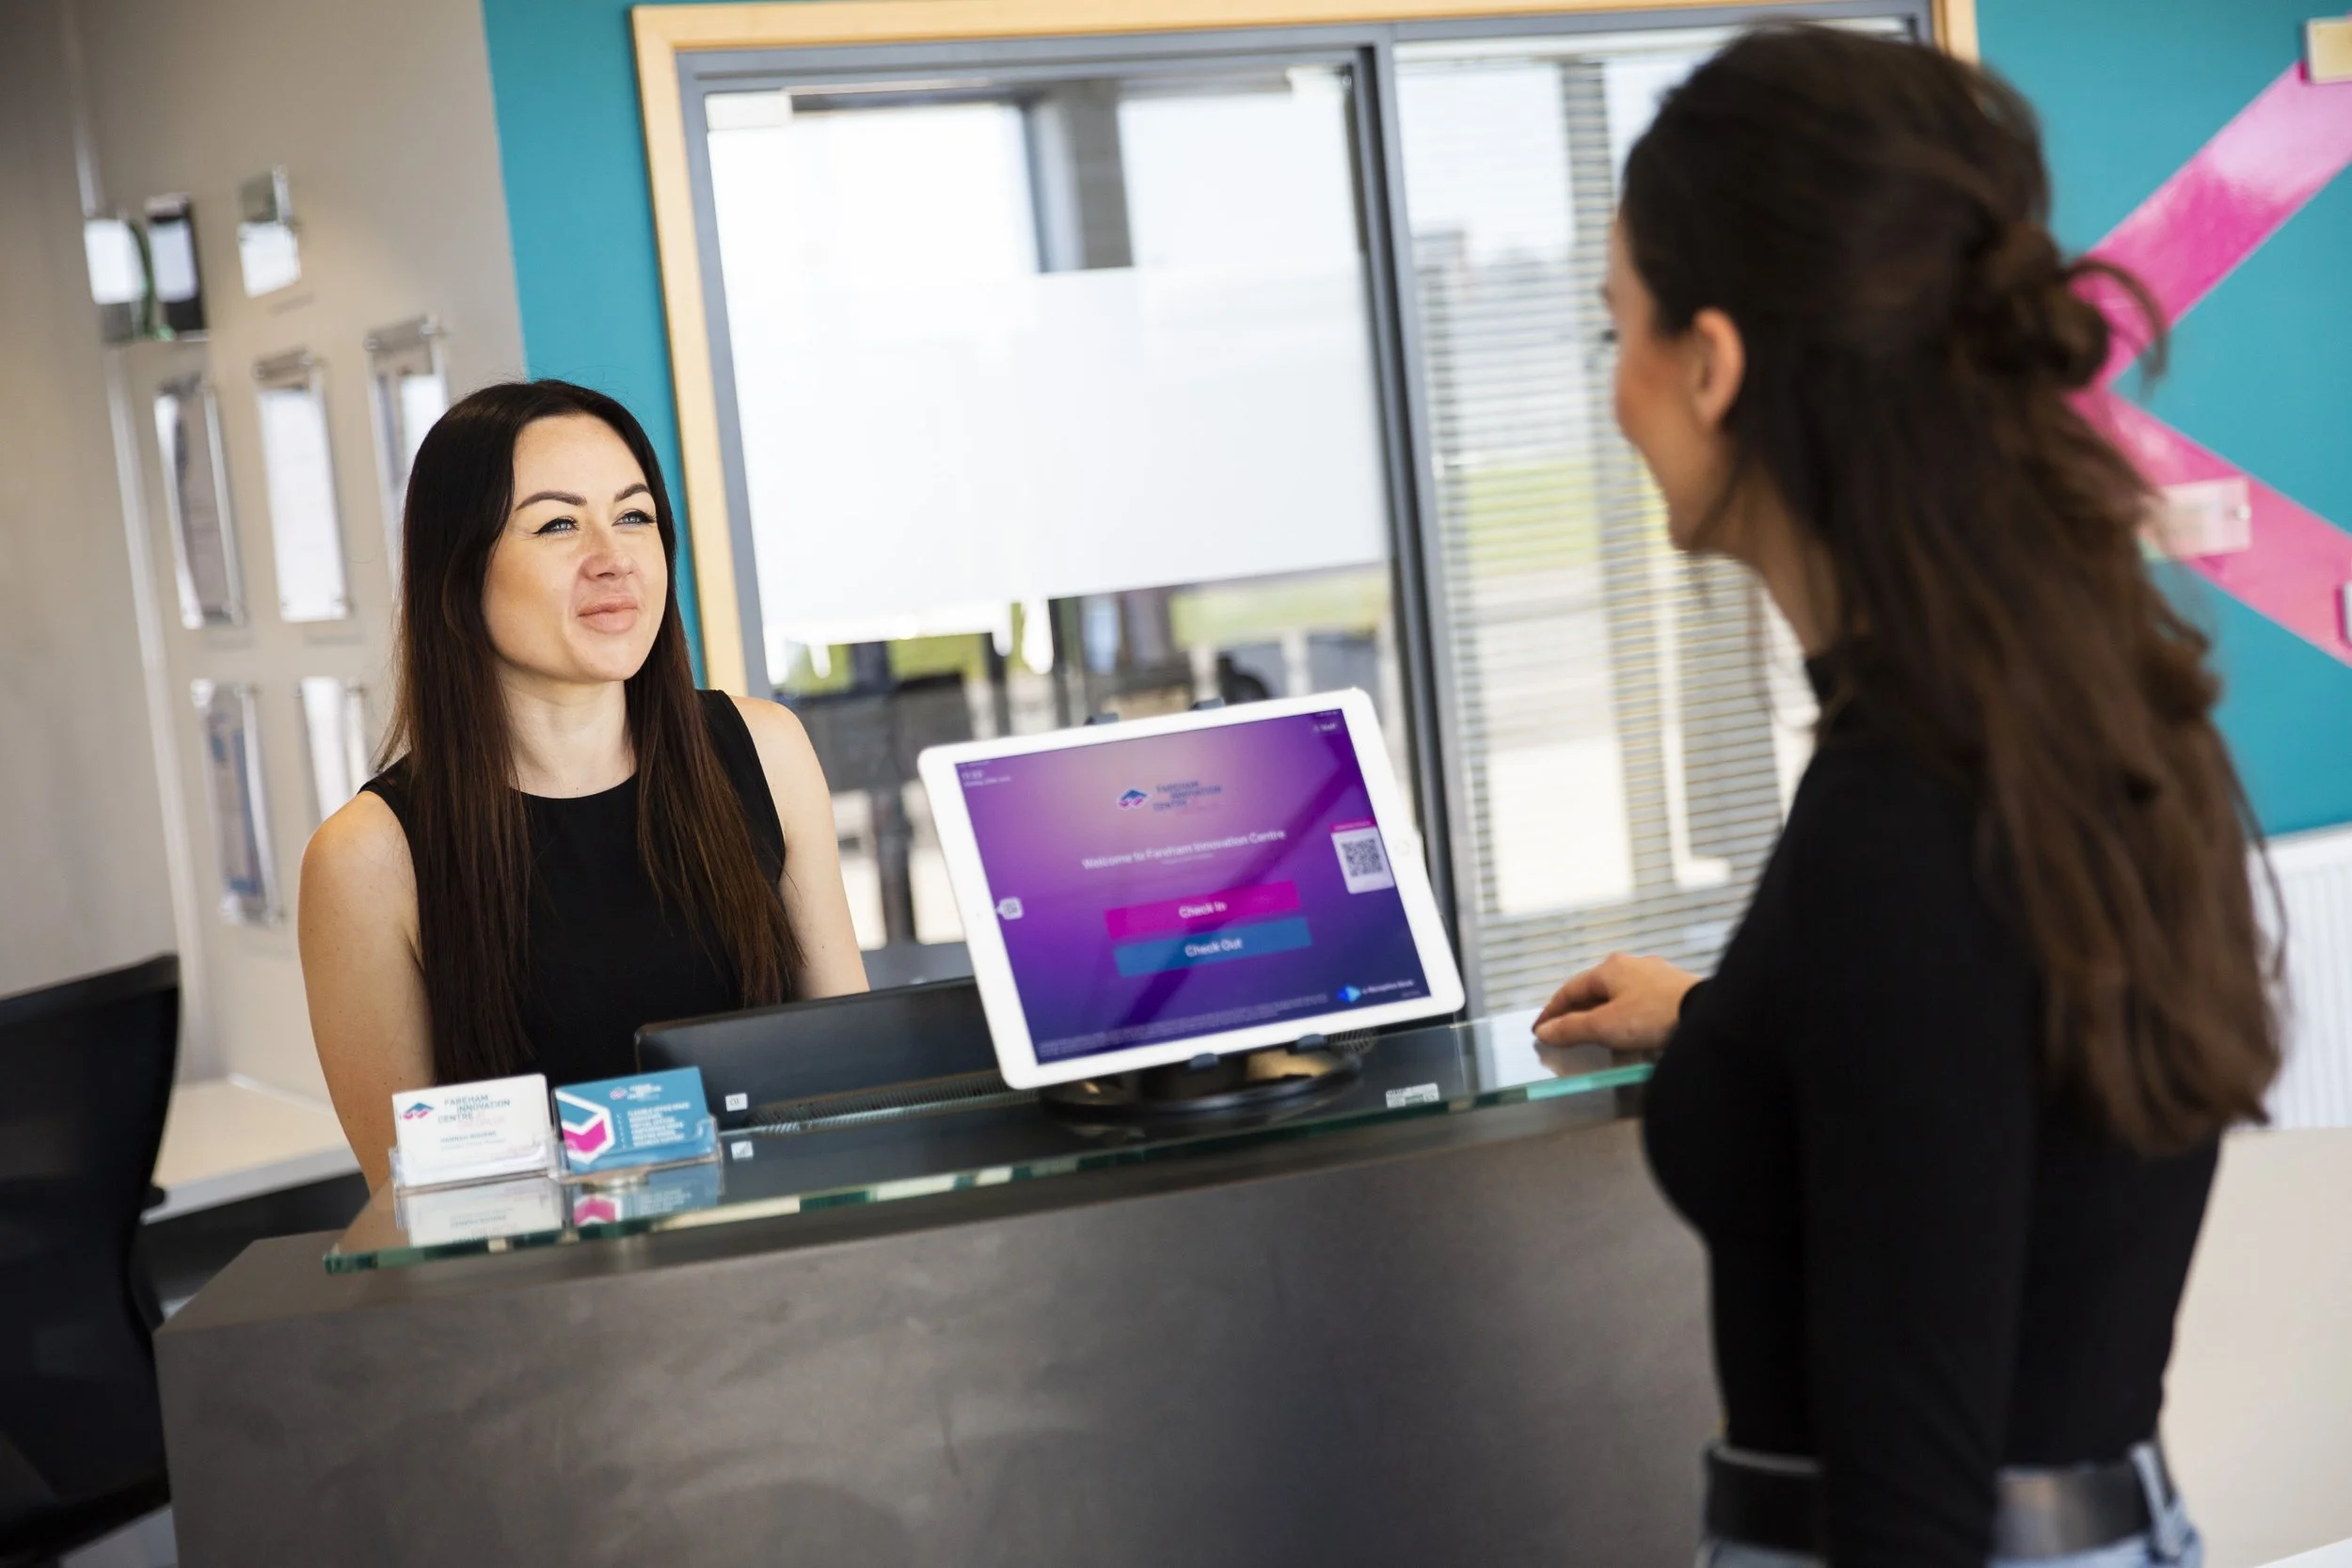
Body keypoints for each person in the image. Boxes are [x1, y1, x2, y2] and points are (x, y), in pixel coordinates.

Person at [1533, 26, 2277, 1568]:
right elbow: (1981, 1084)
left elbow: (1914, 1491)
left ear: (1714, 363)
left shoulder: (1906, 822)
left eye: (1620, 333)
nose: (1615, 396)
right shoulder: (2086, 714)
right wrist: (1728, 1020)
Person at [300, 381, 867, 1188]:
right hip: (557, 1303)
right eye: (559, 523)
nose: (614, 556)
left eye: (634, 515)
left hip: (790, 1264)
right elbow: (419, 1205)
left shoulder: (764, 749)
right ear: (459, 573)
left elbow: (848, 1082)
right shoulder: (367, 857)